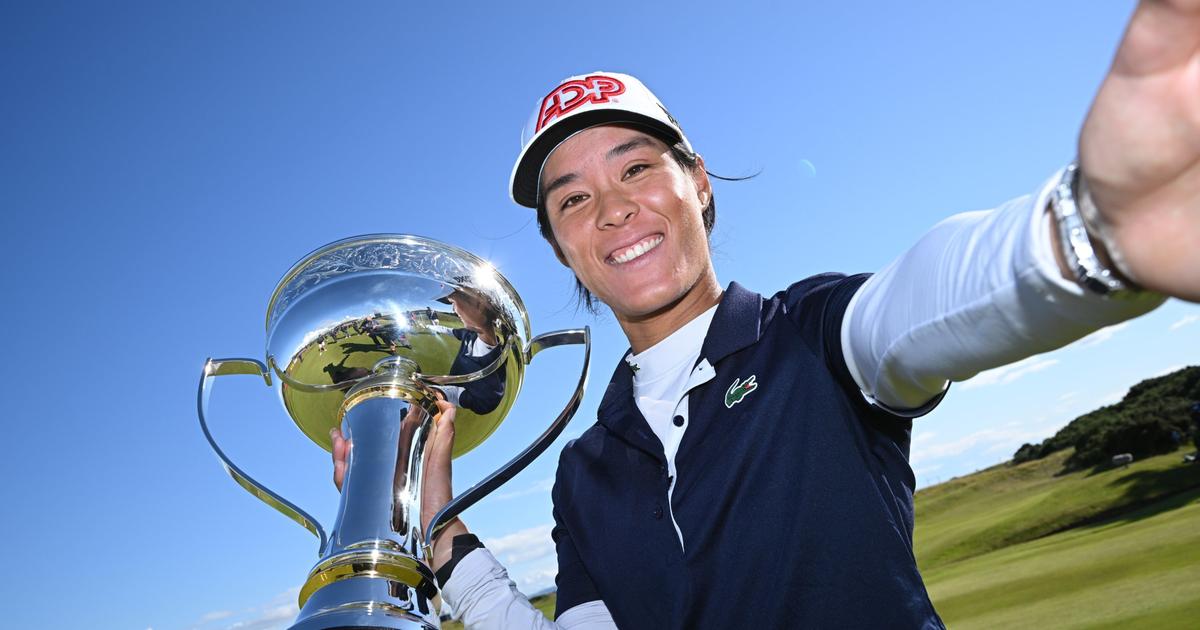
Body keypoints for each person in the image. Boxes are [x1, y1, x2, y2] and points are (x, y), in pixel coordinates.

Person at [332, 4, 1200, 627]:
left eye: (636, 169)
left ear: (697, 181)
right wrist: (437, 521)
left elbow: (920, 305)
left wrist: (1085, 236)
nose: (612, 209)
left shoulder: (812, 335)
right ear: (565, 251)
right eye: (573, 200)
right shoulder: (586, 472)